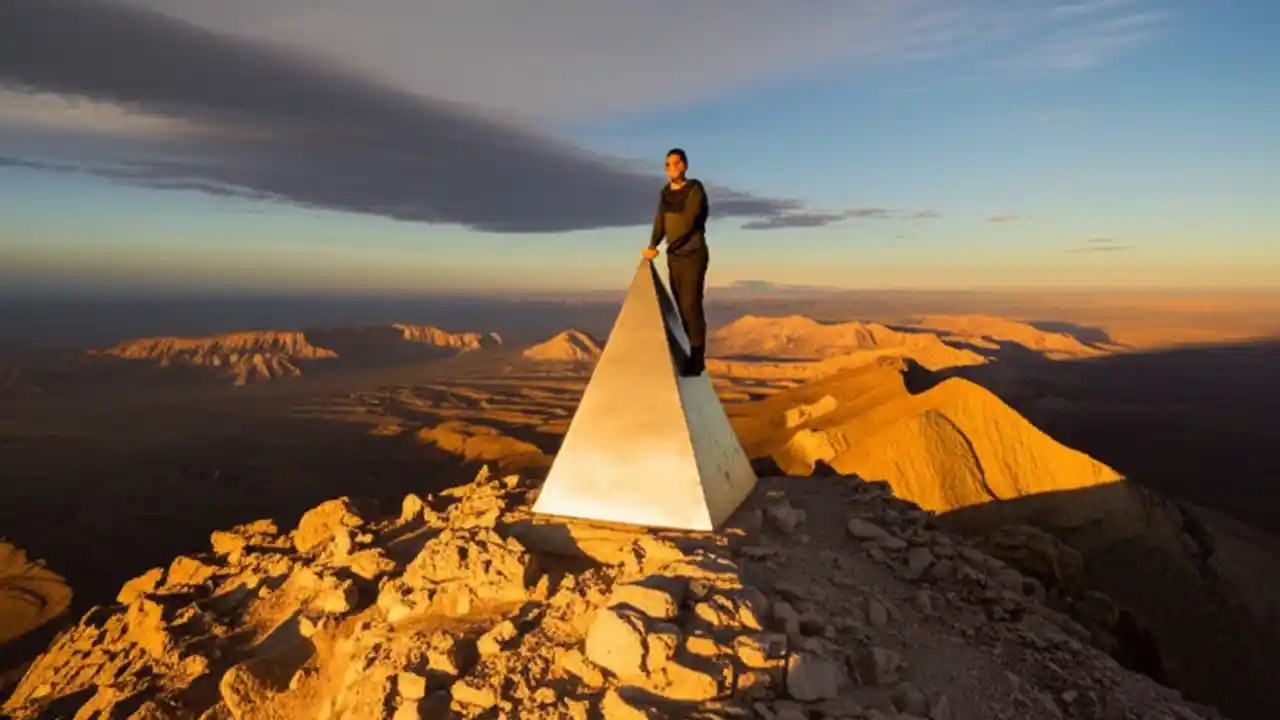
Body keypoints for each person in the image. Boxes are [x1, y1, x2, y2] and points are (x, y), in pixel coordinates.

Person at [643, 148, 709, 377]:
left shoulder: (695, 189)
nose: (672, 168)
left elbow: (690, 219)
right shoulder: (665, 193)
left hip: (693, 254)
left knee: (691, 304)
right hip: (674, 257)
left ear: (685, 166)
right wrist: (653, 245)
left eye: (676, 163)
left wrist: (674, 242)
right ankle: (688, 350)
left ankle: (697, 359)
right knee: (681, 305)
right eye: (668, 165)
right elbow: (660, 221)